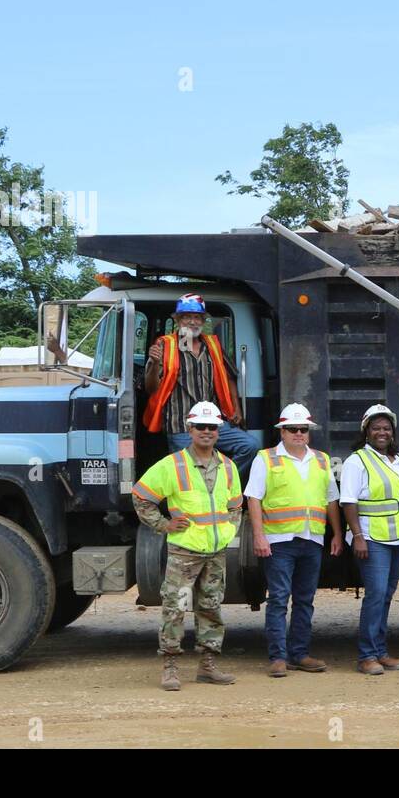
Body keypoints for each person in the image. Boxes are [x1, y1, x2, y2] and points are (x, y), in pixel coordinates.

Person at [132, 401, 243, 691]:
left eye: (212, 427)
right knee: (176, 607)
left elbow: (236, 506)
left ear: (218, 431)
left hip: (215, 553)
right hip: (184, 553)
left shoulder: (229, 467)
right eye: (201, 427)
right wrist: (163, 525)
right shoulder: (173, 465)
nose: (207, 432)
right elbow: (142, 497)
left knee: (211, 607)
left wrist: (230, 531)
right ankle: (170, 666)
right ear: (190, 429)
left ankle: (207, 665)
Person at [244, 403, 343, 678]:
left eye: (303, 429)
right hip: (280, 540)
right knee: (278, 598)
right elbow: (253, 498)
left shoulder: (322, 460)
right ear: (282, 432)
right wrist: (259, 536)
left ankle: (299, 654)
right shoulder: (266, 458)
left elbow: (331, 499)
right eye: (292, 429)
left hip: (312, 539)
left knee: (305, 599)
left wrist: (336, 533)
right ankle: (278, 657)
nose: (299, 433)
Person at [339, 404, 399, 676]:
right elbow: (348, 502)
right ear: (366, 432)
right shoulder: (356, 461)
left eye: (386, 428)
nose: (382, 432)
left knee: (386, 596)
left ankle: (381, 651)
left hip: (398, 539)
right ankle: (367, 655)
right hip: (372, 538)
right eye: (376, 428)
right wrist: (358, 536)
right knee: (375, 596)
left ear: (393, 432)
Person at [142, 294, 259, 476]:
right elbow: (151, 389)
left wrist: (236, 408)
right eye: (187, 317)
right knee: (190, 473)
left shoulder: (212, 344)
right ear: (178, 320)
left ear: (203, 320)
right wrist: (154, 362)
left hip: (213, 423)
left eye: (197, 317)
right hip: (181, 426)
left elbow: (229, 377)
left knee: (250, 446)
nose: (192, 322)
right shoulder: (165, 345)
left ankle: (222, 481)